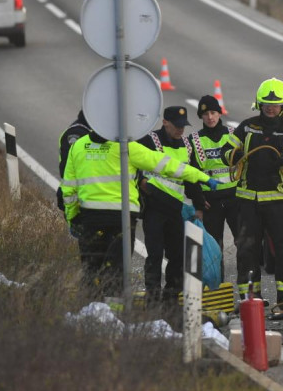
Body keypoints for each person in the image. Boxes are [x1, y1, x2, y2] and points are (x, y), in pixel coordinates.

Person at [61, 126, 215, 298]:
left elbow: (68, 189)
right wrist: (203, 177)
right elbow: (166, 164)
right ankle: (114, 310)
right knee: (117, 272)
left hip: (90, 218)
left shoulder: (78, 146)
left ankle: (92, 309)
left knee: (91, 270)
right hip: (121, 220)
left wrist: (72, 217)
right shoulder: (126, 147)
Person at [224, 78, 283, 307]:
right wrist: (234, 155)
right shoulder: (247, 127)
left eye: (276, 104)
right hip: (248, 200)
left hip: (279, 201)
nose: (271, 108)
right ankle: (250, 298)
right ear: (259, 103)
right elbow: (226, 151)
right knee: (247, 250)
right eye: (267, 103)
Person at [138, 106, 210, 304]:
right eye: (176, 126)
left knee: (177, 255)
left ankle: (170, 298)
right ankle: (153, 299)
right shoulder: (149, 141)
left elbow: (191, 176)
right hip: (154, 209)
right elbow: (133, 164)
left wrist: (199, 205)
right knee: (154, 255)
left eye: (183, 126)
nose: (180, 130)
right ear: (165, 123)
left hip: (175, 209)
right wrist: (141, 183)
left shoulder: (187, 145)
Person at [190, 94, 239, 253]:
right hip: (210, 201)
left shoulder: (233, 134)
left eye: (213, 112)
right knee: (215, 245)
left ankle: (246, 271)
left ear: (219, 113)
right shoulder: (195, 139)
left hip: (235, 197)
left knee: (243, 242)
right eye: (205, 114)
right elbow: (192, 174)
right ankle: (218, 271)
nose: (210, 117)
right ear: (201, 116)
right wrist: (198, 202)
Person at [57, 110, 91, 212]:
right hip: (79, 200)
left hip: (92, 196)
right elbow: (68, 171)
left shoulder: (100, 131)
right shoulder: (76, 133)